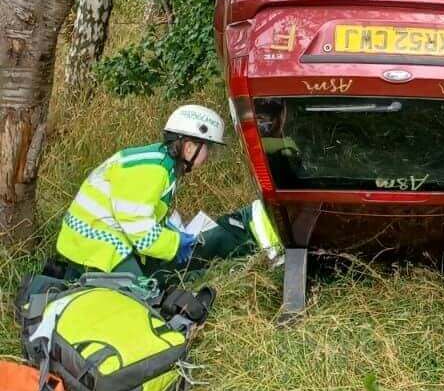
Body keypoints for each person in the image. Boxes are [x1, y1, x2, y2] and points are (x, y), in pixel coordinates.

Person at [51, 103, 283, 281]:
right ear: (190, 146)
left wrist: (170, 233)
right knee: (140, 297)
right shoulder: (154, 171)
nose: (208, 157)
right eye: (207, 149)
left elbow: (139, 214)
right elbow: (140, 231)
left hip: (93, 240)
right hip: (96, 247)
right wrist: (175, 243)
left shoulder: (162, 164)